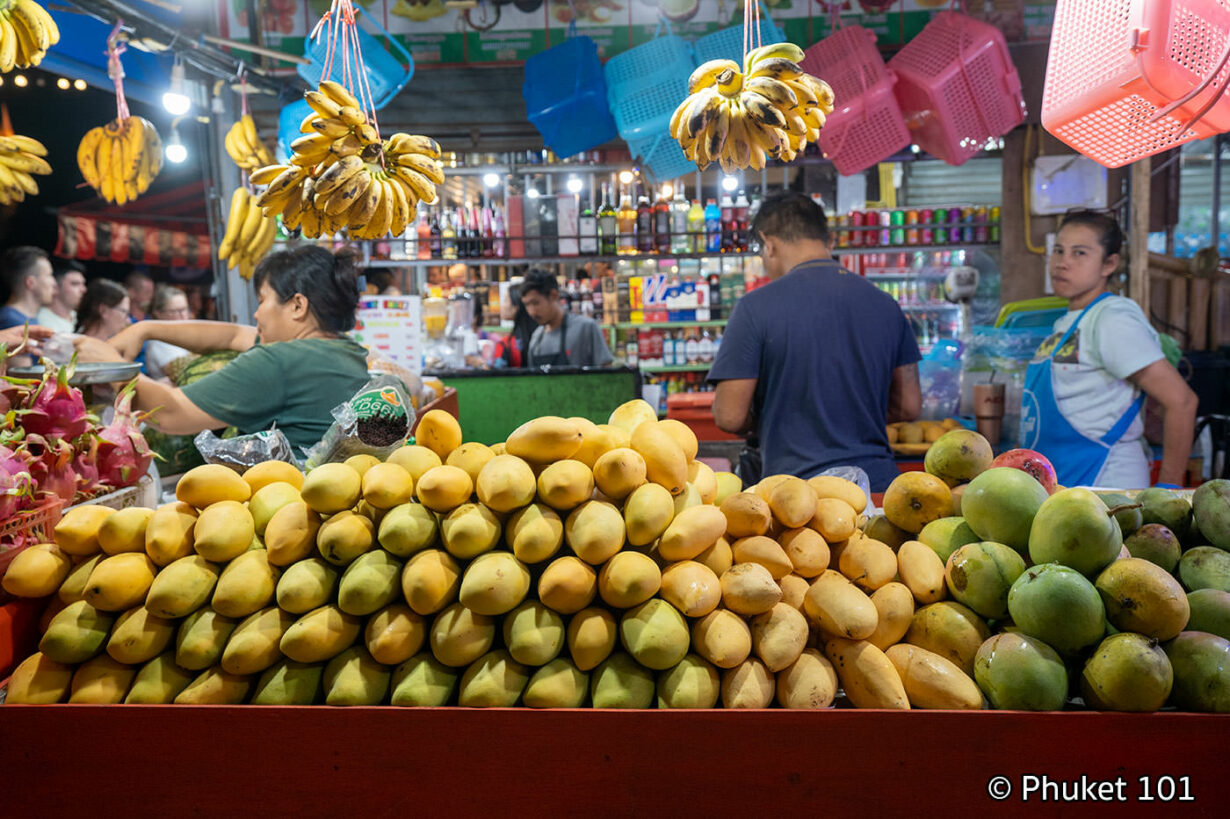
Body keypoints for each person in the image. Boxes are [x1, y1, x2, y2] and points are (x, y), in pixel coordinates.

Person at [708, 192, 922, 492]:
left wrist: (774, 417)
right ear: (828, 241)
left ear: (768, 243)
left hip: (798, 501)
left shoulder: (755, 307)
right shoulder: (886, 304)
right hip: (877, 492)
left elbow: (729, 416)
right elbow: (909, 407)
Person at [98, 246, 371, 452]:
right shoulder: (345, 350)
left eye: (262, 300)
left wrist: (107, 362)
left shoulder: (278, 361)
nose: (256, 314)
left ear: (298, 306)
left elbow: (171, 414)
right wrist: (145, 329)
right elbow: (233, 336)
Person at [1021, 210, 1198, 488]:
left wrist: (1169, 491)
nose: (1062, 262)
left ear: (1109, 264)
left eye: (1079, 253)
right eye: (1058, 250)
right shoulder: (1066, 323)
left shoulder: (1112, 318)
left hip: (1106, 482)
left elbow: (1182, 402)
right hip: (1065, 480)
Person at [521, 269, 613, 368]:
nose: (531, 312)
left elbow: (607, 374)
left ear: (554, 295)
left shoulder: (586, 328)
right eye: (527, 305)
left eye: (535, 303)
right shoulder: (536, 339)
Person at [142, 285, 193, 382]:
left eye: (185, 309)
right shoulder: (159, 343)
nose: (182, 316)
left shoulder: (182, 337)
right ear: (158, 313)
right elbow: (185, 374)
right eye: (175, 311)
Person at [0, 246, 56, 331]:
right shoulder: (11, 322)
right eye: (49, 275)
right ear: (31, 282)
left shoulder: (27, 318)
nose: (54, 283)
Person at [37, 261, 87, 334]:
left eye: (83, 284)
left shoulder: (80, 319)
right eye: (75, 284)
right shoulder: (41, 321)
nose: (83, 290)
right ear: (55, 287)